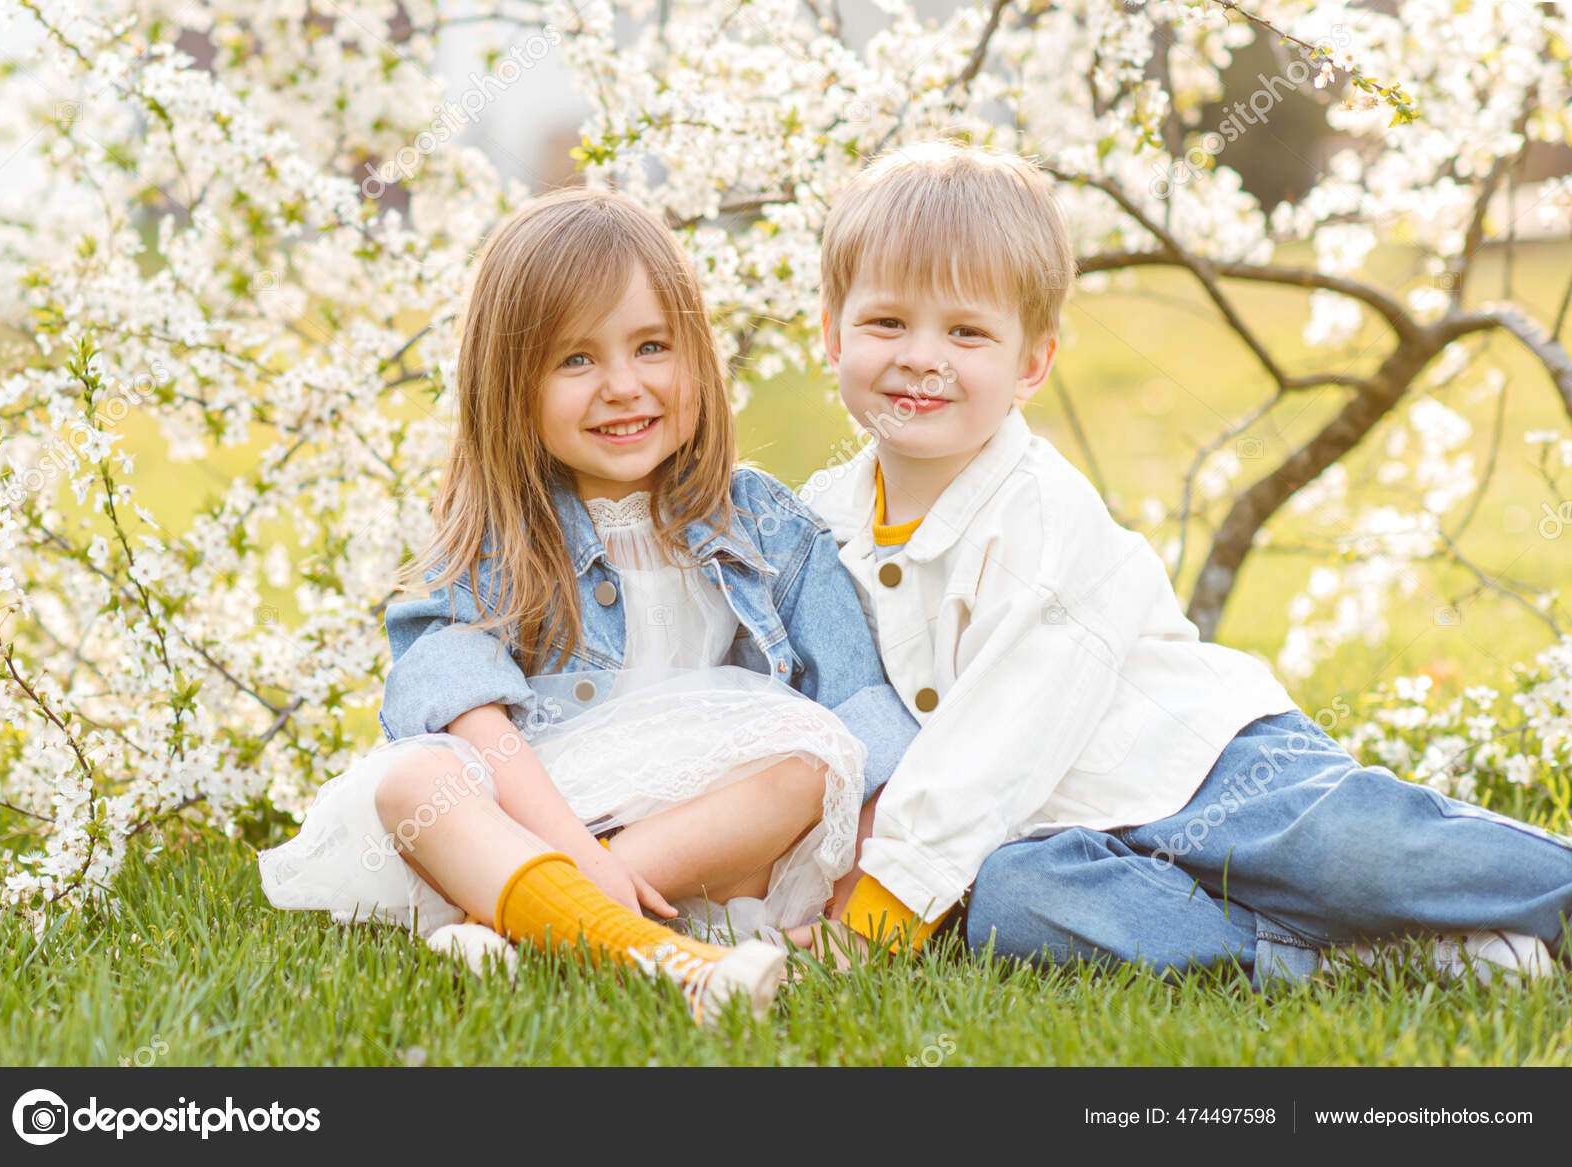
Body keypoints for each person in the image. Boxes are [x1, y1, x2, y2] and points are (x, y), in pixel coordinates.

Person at [796, 139, 1569, 986]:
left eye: (966, 331)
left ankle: (1547, 893)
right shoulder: (820, 521)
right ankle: (1340, 961)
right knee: (1016, 904)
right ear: (832, 333)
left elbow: (1001, 730)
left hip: (1209, 771)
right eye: (887, 322)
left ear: (1032, 363)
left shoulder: (1041, 511)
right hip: (1058, 833)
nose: (921, 356)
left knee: (1359, 853)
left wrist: (876, 916)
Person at [258, 185, 918, 1025]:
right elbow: (457, 697)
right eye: (575, 360)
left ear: (697, 353)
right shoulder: (503, 528)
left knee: (819, 761)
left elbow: (865, 720)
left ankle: (530, 924)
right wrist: (577, 854)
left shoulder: (764, 524)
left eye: (652, 346)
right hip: (537, 818)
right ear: (510, 386)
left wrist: (857, 913)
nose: (623, 386)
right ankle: (657, 953)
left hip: (705, 838)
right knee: (415, 779)